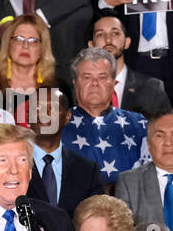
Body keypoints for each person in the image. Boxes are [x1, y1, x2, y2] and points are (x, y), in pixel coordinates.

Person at [63, 47, 150, 184]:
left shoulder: (139, 124)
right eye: (87, 77)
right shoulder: (57, 126)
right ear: (75, 84)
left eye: (102, 77)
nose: (95, 83)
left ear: (114, 83)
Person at [88, 10, 171, 117]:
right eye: (100, 34)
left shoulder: (152, 88)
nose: (108, 39)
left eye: (115, 33)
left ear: (127, 42)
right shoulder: (79, 89)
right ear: (91, 45)